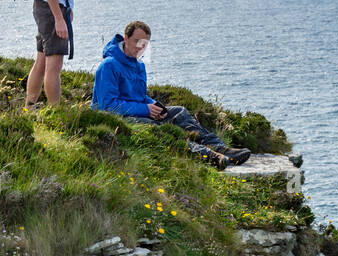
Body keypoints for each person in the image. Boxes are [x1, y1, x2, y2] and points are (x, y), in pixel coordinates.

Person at [91, 22, 251, 169]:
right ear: (126, 38)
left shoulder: (138, 65)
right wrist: (146, 110)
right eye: (137, 41)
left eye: (144, 44)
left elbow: (139, 96)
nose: (140, 47)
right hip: (114, 119)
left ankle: (220, 148)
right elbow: (108, 106)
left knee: (179, 112)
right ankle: (207, 155)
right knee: (155, 127)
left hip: (136, 110)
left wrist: (155, 106)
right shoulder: (109, 66)